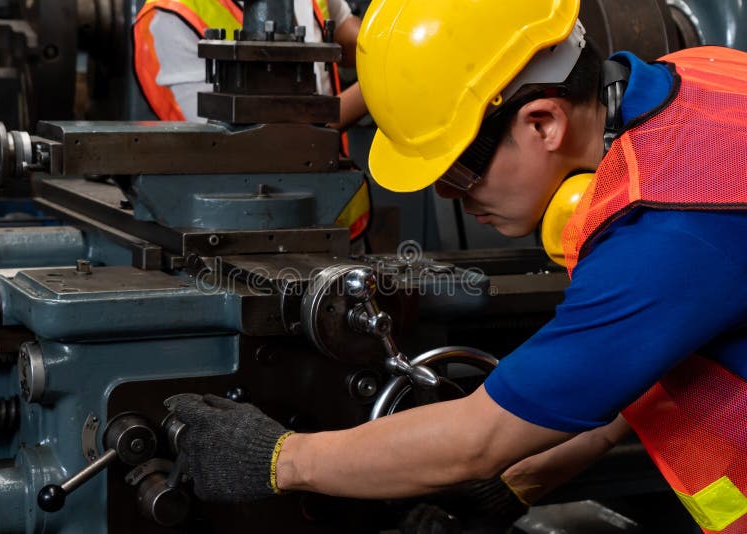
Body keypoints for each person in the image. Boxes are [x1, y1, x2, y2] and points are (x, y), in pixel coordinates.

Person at [169, 1, 747, 532]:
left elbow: (479, 438)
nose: (452, 198)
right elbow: (639, 362)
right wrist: (515, 485)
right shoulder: (700, 73)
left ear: (543, 122)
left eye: (459, 171)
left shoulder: (667, 226)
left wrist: (278, 459)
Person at [132, 0, 371, 240]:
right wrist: (378, 85)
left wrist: (396, 43)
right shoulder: (171, 15)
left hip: (340, 216)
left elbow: (354, 42)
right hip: (234, 229)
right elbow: (251, 143)